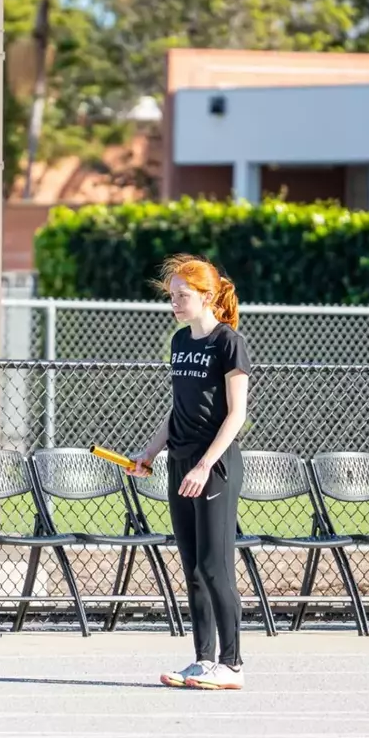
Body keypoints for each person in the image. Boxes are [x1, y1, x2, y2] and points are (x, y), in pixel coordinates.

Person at [129, 254, 251, 691]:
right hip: (179, 462)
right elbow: (178, 410)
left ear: (206, 296)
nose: (175, 303)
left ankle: (232, 665)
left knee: (215, 565)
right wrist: (151, 451)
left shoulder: (228, 342)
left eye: (182, 296)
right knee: (192, 567)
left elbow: (235, 415)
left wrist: (205, 464)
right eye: (172, 296)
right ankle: (202, 661)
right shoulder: (181, 342)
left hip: (213, 467)